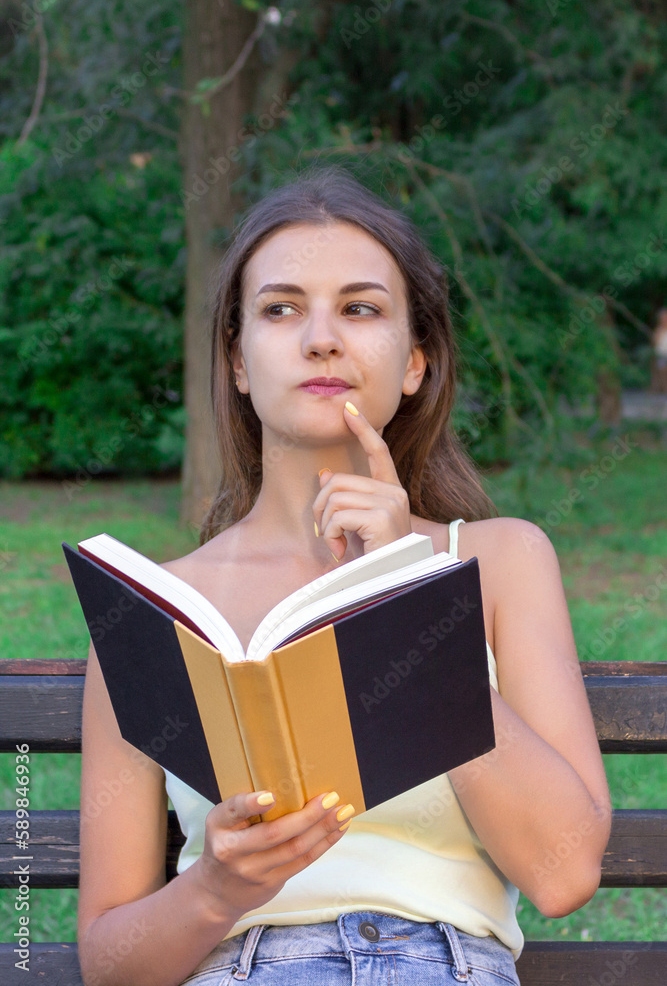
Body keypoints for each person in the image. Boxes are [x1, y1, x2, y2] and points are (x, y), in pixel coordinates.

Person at [76, 167, 612, 986]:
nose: (321, 338)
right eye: (280, 309)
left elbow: (563, 873)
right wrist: (215, 890)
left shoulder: (499, 559)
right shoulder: (152, 609)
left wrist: (406, 596)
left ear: (413, 363)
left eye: (359, 309)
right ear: (240, 363)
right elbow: (108, 962)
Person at [650, 307, 667, 393]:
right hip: (661, 355)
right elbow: (654, 343)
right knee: (663, 369)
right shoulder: (658, 330)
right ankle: (664, 388)